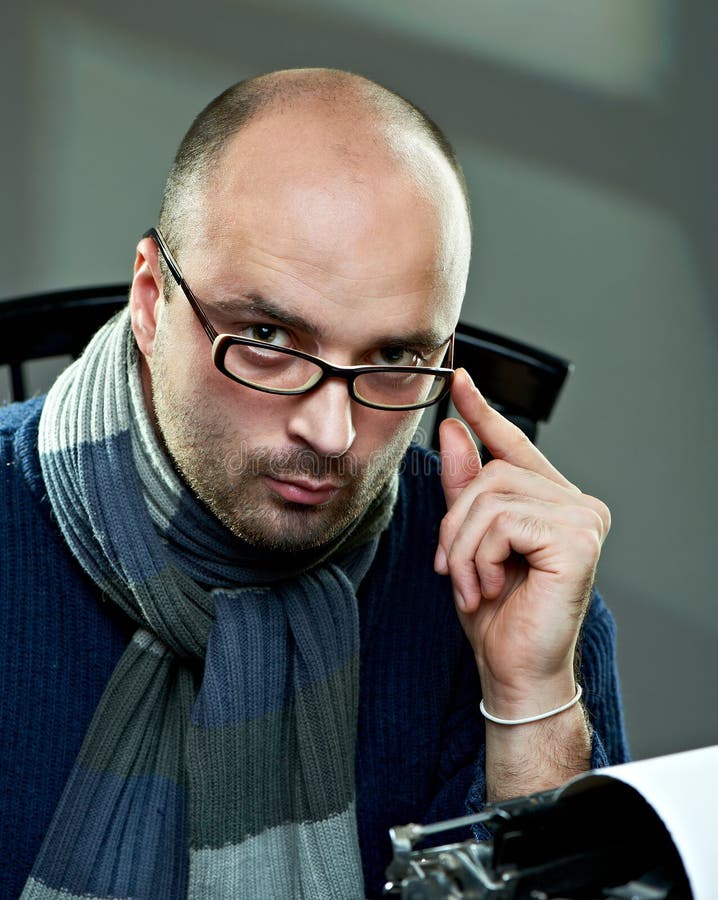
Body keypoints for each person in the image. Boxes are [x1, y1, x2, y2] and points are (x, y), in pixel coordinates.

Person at [0, 68, 628, 900]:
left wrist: (532, 700)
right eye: (266, 336)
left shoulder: (514, 588)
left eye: (397, 359)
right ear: (152, 301)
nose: (331, 435)